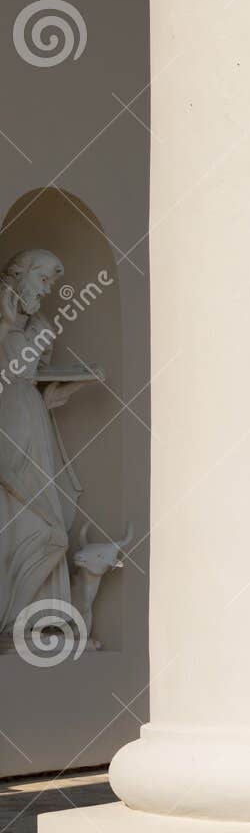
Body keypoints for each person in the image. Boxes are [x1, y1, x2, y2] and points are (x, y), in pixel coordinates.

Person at [0, 250, 81, 637]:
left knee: (40, 515)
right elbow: (16, 367)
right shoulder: (5, 314)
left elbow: (32, 369)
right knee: (37, 520)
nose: (47, 289)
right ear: (20, 273)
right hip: (9, 412)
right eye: (43, 279)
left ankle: (25, 616)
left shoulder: (38, 322)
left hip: (31, 413)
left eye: (51, 282)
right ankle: (12, 616)